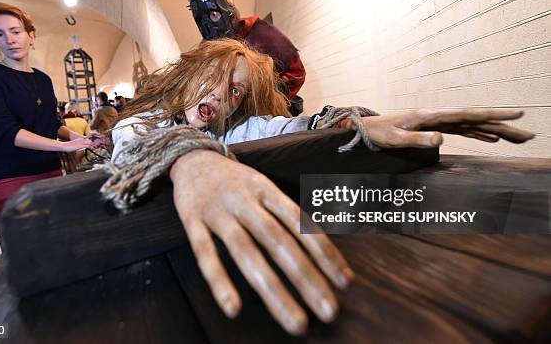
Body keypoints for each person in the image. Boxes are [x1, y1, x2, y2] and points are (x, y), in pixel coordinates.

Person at [108, 38, 534, 335]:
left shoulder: (237, 128)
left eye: (235, 91)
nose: (221, 96)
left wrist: (354, 124)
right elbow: (133, 144)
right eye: (213, 79)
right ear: (188, 77)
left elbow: (291, 128)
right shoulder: (141, 124)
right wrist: (191, 160)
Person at [0, 2, 93, 232]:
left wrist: (80, 138)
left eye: (15, 31)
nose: (10, 39)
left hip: (49, 171)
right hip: (11, 177)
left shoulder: (42, 79)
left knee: (62, 241)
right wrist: (61, 147)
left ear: (31, 35)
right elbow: (4, 130)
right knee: (28, 255)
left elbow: (52, 123)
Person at [189, 0, 306, 115]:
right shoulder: (206, 48)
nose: (208, 23)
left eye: (213, 14)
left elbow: (297, 73)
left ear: (230, 12)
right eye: (202, 19)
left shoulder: (262, 33)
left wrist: (265, 98)